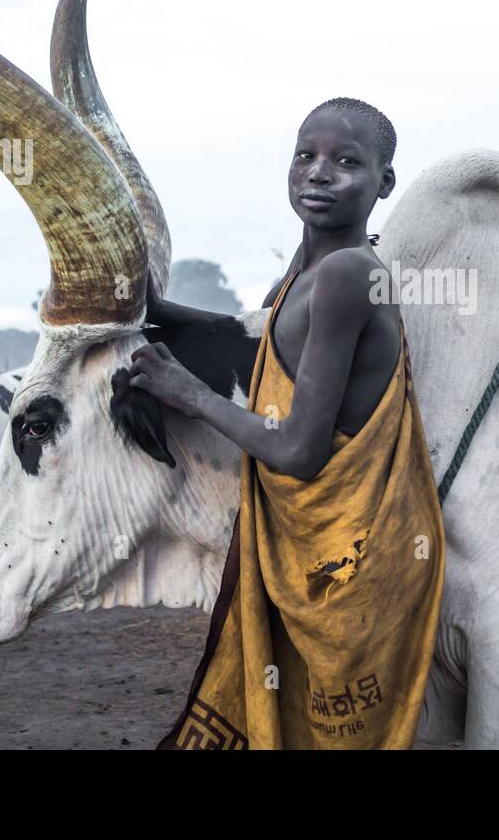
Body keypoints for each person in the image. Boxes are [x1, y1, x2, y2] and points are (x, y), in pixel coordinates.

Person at [131, 97, 445, 749]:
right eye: (306, 155)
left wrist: (188, 393)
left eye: (346, 161)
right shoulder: (305, 270)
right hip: (313, 549)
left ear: (383, 184)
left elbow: (300, 451)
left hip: (344, 561)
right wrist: (155, 306)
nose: (319, 172)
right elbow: (265, 330)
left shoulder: (348, 276)